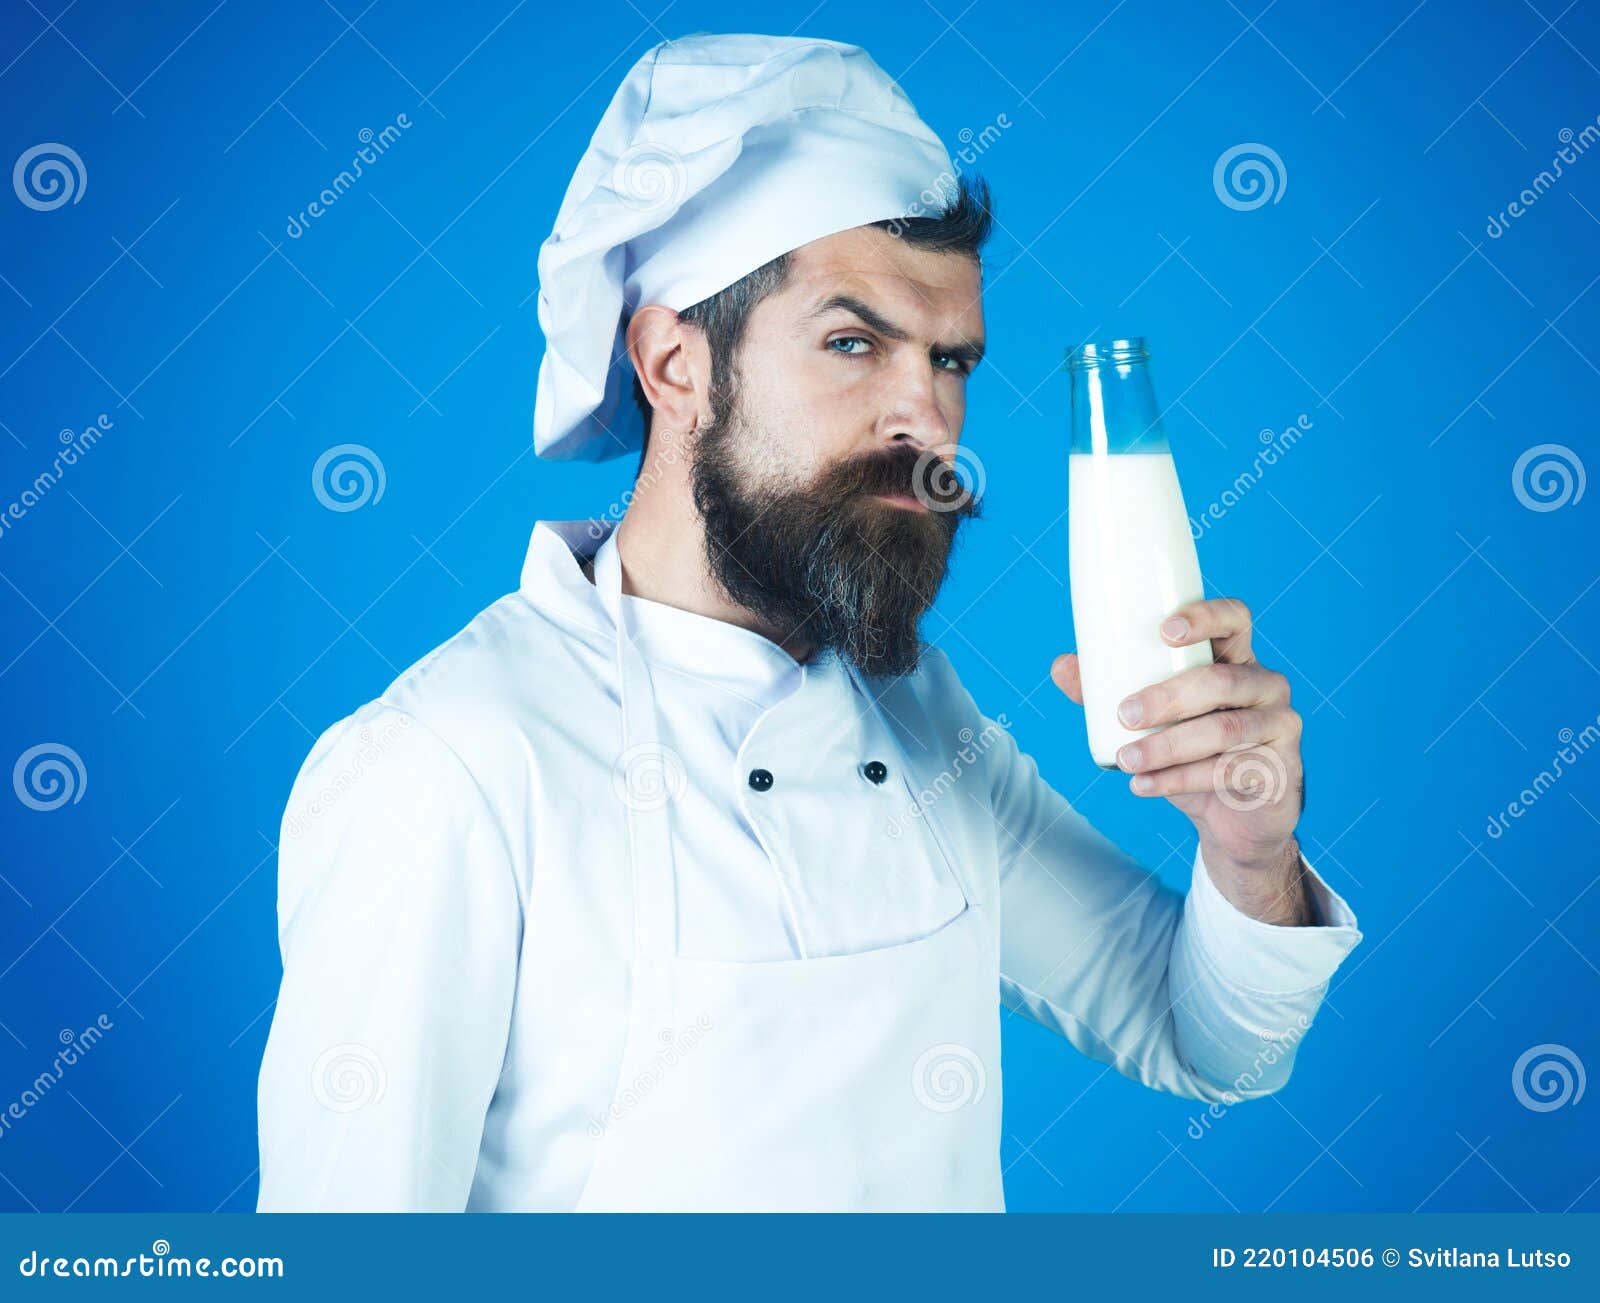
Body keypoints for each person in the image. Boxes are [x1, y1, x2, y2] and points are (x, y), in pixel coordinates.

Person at [255, 32, 1361, 1213]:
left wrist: (1248, 849)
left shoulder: (915, 711)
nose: (926, 418)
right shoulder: (448, 762)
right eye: (853, 344)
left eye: (950, 361)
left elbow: (1206, 1041)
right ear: (673, 363)